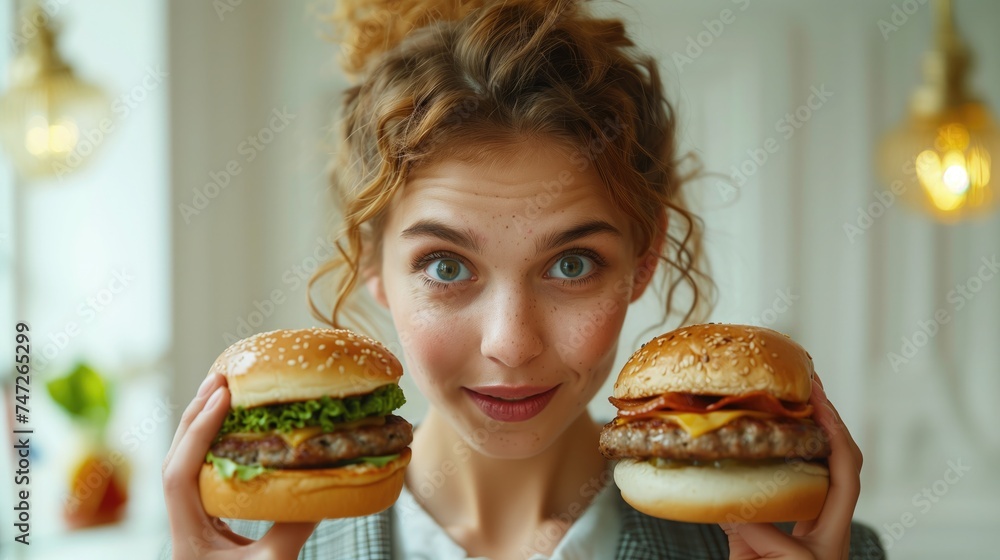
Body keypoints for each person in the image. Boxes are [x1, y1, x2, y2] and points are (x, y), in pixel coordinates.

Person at [160, 0, 885, 558]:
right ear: (374, 265)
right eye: (446, 267)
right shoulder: (241, 545)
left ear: (644, 260)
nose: (511, 343)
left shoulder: (816, 547)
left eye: (572, 264)